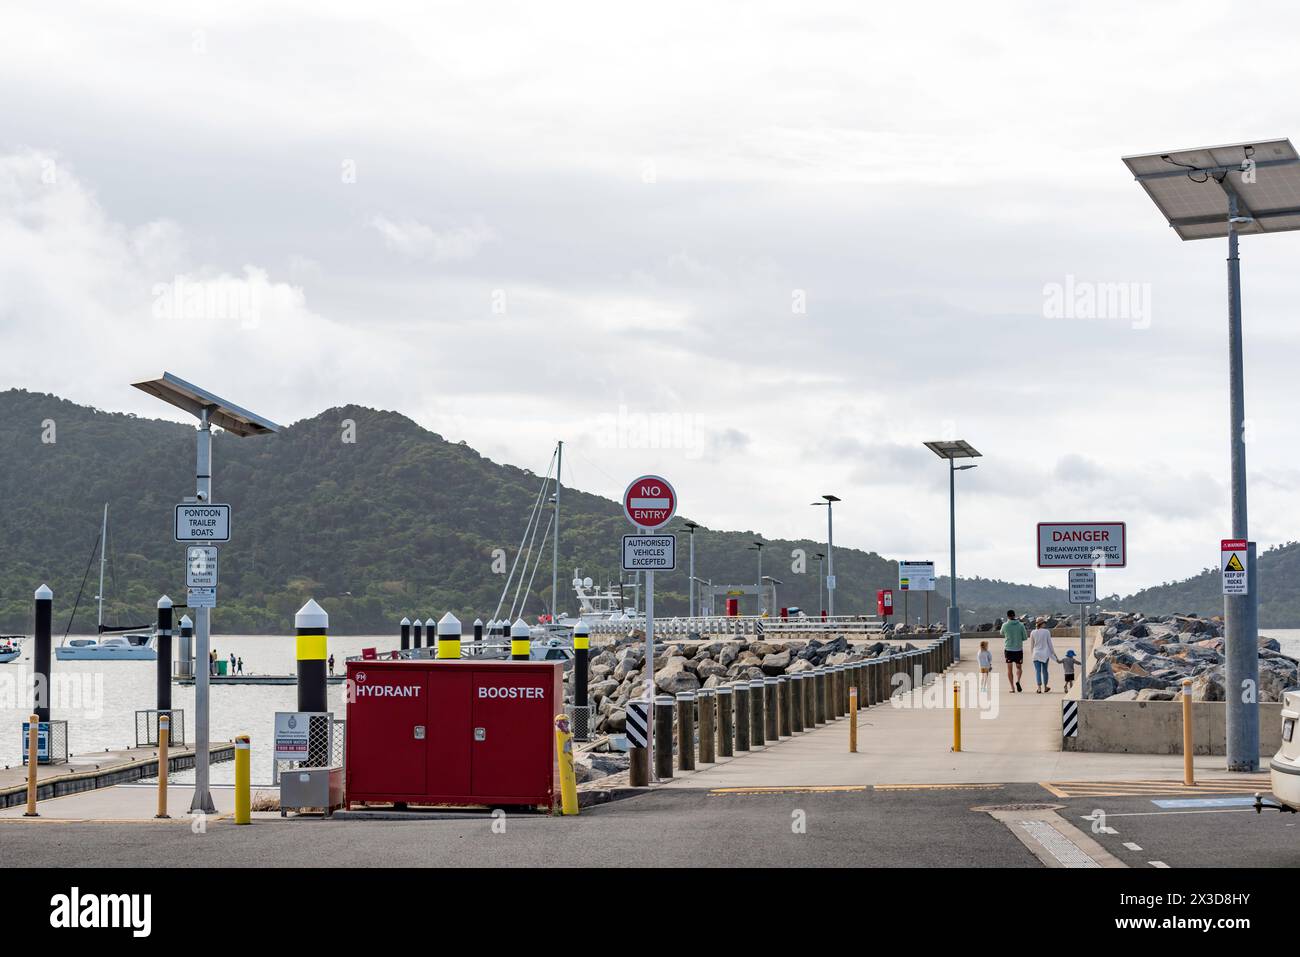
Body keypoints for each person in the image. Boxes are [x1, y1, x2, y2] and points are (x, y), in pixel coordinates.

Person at [1029, 616, 1058, 693]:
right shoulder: (1046, 632)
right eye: (1044, 623)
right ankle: (1045, 687)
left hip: (1036, 654)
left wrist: (1032, 654)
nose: (1045, 624)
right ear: (1041, 624)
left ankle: (1039, 688)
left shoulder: (1033, 632)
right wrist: (1054, 653)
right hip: (1045, 654)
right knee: (1045, 671)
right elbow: (1050, 644)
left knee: (1037, 671)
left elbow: (1031, 646)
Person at [1000, 610, 1028, 692]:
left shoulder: (1005, 625)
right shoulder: (1021, 625)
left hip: (1008, 649)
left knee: (1009, 670)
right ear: (1015, 615)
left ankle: (1012, 688)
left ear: (1007, 616)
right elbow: (1025, 637)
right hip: (1018, 649)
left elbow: (1001, 633)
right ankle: (1018, 681)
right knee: (1019, 668)